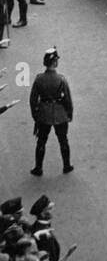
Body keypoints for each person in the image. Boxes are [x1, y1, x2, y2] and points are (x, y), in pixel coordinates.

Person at [29, 47, 74, 176]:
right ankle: (66, 165)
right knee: (63, 140)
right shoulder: (61, 79)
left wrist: (35, 115)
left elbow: (33, 99)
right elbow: (67, 99)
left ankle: (38, 168)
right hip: (60, 113)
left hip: (44, 114)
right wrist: (69, 114)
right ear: (54, 62)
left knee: (41, 141)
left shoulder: (39, 79)